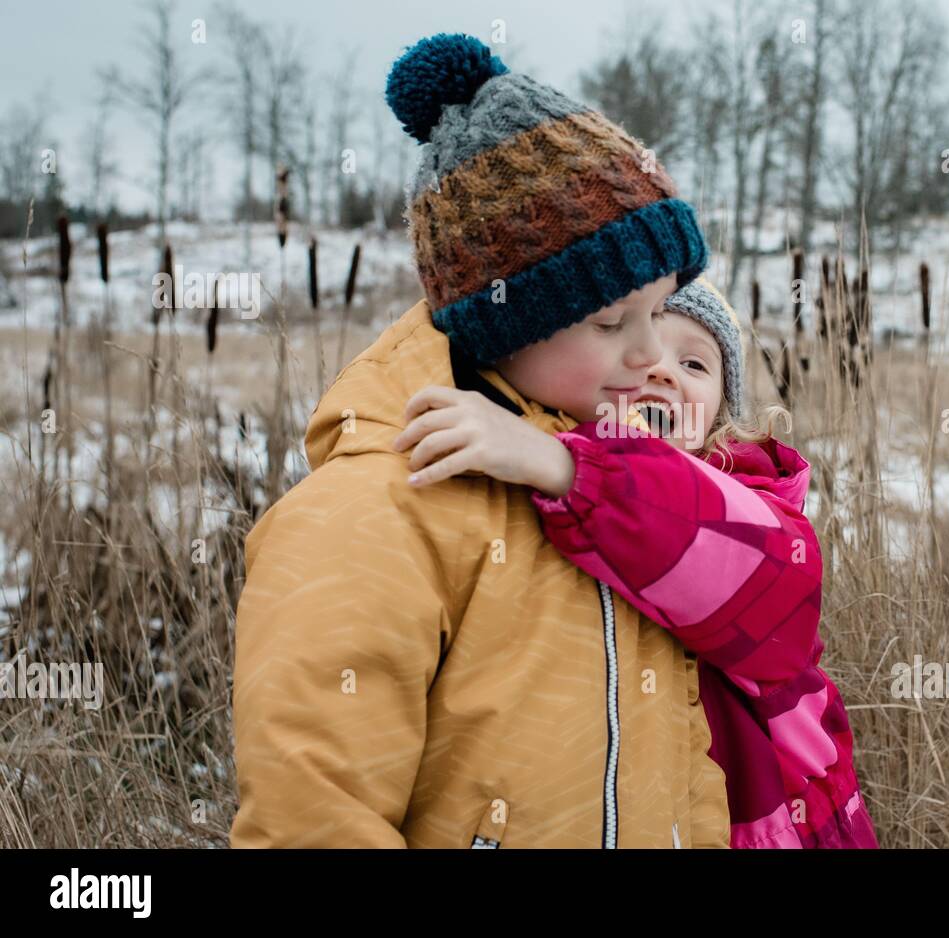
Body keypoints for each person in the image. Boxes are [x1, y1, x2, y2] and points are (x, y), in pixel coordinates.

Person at [229, 32, 727, 848]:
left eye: (661, 311)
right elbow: (311, 810)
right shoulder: (381, 506)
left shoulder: (629, 490)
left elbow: (685, 755)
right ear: (507, 324)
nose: (649, 356)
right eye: (611, 322)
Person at [394, 277, 880, 848]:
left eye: (695, 365)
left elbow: (751, 578)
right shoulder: (541, 495)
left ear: (724, 416)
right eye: (632, 348)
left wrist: (570, 468)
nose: (661, 370)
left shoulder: (759, 506)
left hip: (769, 822)